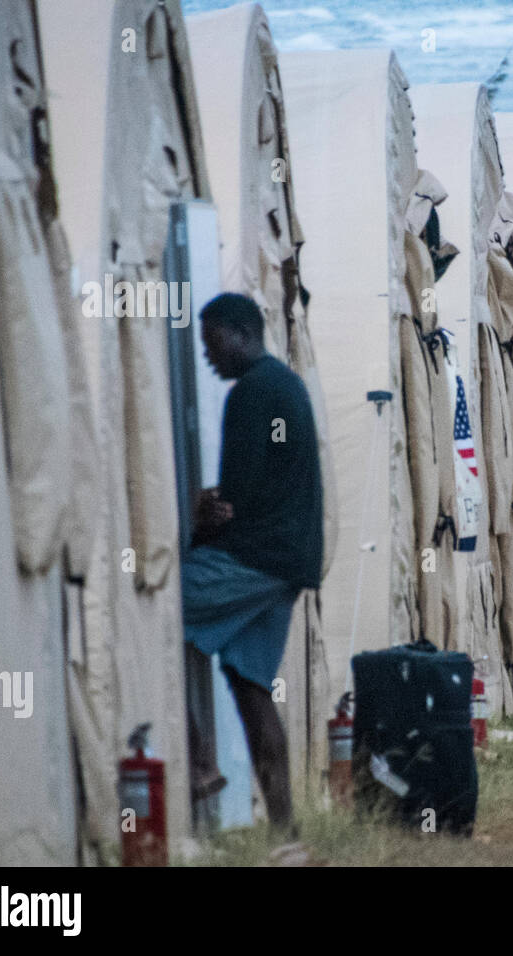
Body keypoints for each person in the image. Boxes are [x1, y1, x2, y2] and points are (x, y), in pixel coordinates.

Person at [184, 292, 324, 837]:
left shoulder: (249, 393)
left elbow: (230, 506)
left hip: (256, 556)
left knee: (161, 610)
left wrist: (199, 513)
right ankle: (285, 835)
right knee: (250, 685)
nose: (206, 355)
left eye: (211, 341)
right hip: (290, 562)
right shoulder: (286, 384)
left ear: (241, 333)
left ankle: (199, 761)